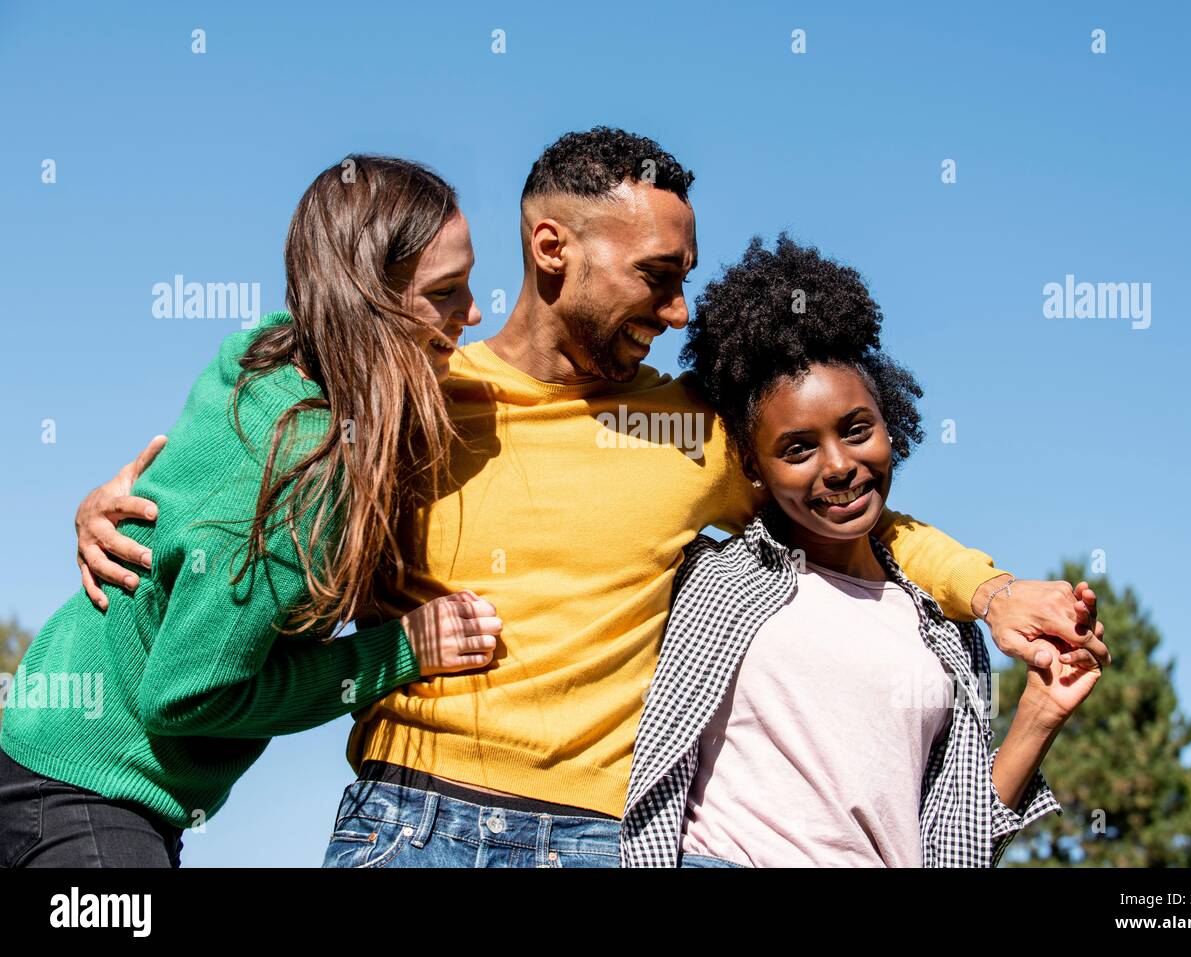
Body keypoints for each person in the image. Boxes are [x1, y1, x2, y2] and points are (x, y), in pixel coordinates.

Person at [71, 129, 1106, 869]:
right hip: (407, 826)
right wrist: (111, 501)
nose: (680, 307)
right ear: (551, 248)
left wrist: (992, 590)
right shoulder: (408, 391)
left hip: (600, 838)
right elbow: (242, 461)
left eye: (686, 278)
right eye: (658, 275)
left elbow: (843, 502)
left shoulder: (696, 432)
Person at [0, 155, 501, 867]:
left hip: (48, 760)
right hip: (83, 793)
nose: (474, 312)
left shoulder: (265, 352)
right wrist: (404, 650)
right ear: (370, 304)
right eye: (447, 292)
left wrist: (96, 507)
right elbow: (185, 695)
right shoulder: (305, 468)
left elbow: (184, 493)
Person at [621, 235, 1105, 868]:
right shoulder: (708, 578)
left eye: (856, 431)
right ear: (751, 465)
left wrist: (1040, 713)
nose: (840, 466)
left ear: (889, 423)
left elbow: (959, 846)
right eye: (797, 449)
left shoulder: (943, 629)